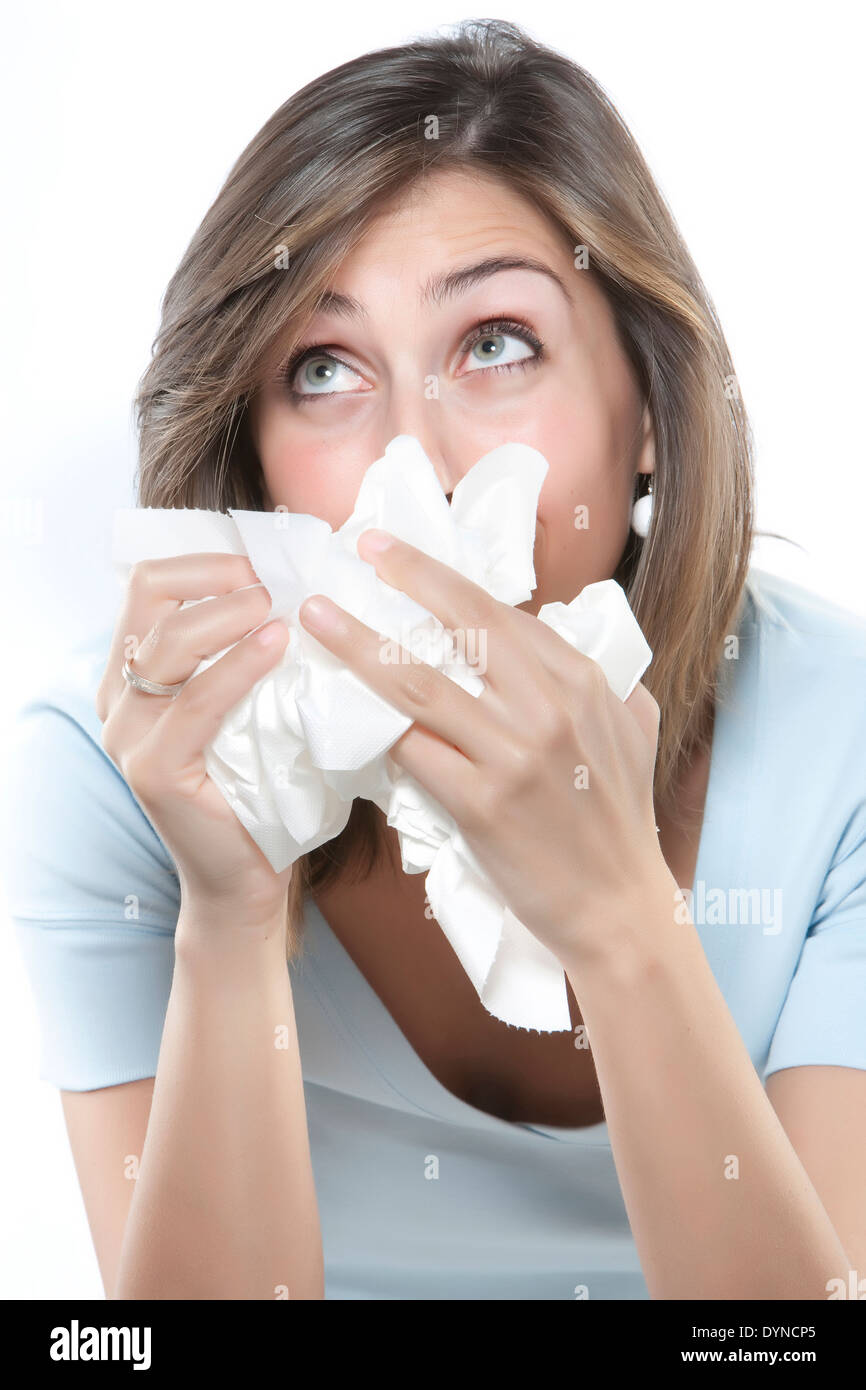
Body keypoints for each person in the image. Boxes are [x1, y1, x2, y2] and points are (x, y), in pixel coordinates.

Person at [5, 18, 866, 1301]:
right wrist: (230, 916)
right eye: (324, 368)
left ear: (648, 412)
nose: (412, 455)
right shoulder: (121, 760)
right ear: (253, 454)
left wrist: (621, 925)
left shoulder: (833, 738)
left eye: (495, 343)